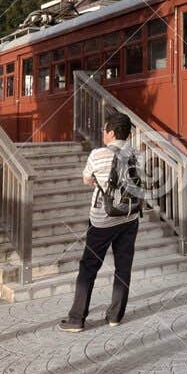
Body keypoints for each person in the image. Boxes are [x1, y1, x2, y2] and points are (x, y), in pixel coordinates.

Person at [59, 112, 140, 331]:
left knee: (89, 266)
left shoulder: (98, 154)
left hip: (103, 220)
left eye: (104, 130)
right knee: (123, 266)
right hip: (130, 216)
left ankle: (77, 319)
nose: (102, 134)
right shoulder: (135, 153)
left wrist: (98, 179)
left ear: (112, 133)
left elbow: (87, 179)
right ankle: (115, 316)